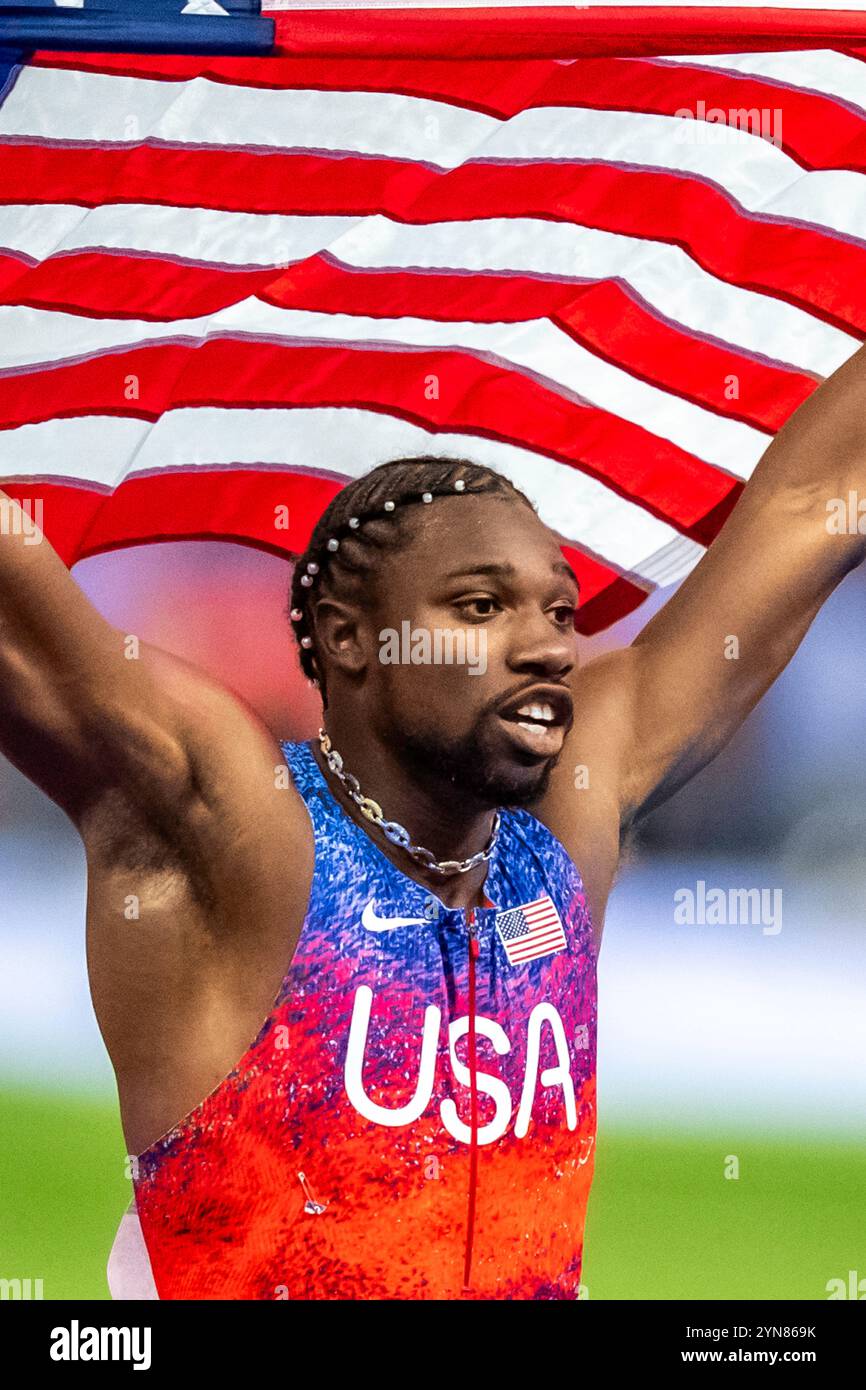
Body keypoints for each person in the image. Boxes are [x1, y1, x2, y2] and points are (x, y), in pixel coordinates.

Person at [2, 344, 866, 1298]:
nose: (545, 646)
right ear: (347, 638)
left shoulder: (560, 836)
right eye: (482, 606)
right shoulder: (237, 831)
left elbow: (813, 502)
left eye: (560, 611)